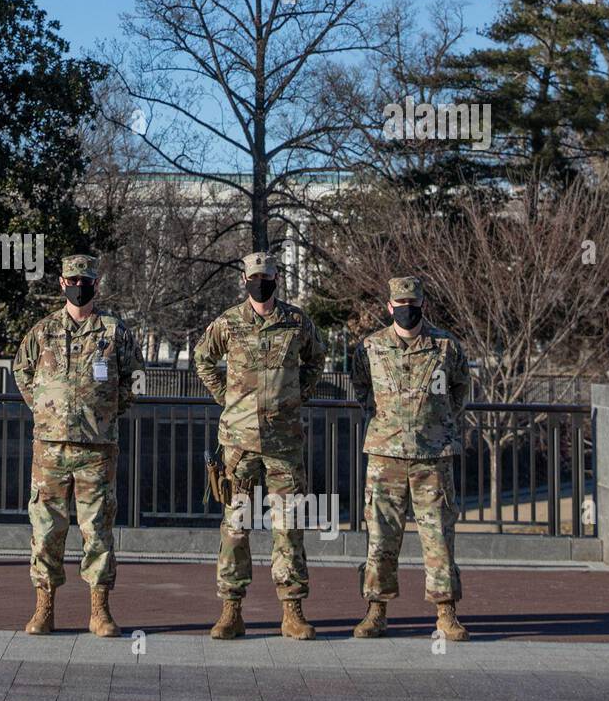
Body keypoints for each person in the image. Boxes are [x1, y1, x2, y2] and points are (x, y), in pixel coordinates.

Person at [194, 251, 325, 640]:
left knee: (289, 527)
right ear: (245, 280)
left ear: (276, 278)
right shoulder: (229, 323)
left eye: (267, 277)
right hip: (239, 443)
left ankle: (292, 610)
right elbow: (203, 359)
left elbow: (317, 359)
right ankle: (231, 609)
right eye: (254, 277)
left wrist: (297, 396)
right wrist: (226, 400)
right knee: (236, 525)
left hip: (284, 442)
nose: (261, 283)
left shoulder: (296, 321)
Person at [12, 254, 143, 637]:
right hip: (50, 448)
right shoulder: (43, 331)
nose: (78, 286)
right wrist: (43, 407)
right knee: (46, 527)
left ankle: (99, 611)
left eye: (84, 280)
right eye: (72, 280)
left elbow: (135, 377)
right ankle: (44, 608)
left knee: (98, 529)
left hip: (96, 449)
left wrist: (108, 411)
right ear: (61, 283)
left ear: (95, 285)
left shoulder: (114, 332)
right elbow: (21, 370)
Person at [350, 276, 470, 641]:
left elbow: (460, 390)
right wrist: (386, 421)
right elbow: (362, 389)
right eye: (399, 304)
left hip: (432, 457)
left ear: (422, 305)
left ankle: (445, 612)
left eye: (412, 303)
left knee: (438, 537)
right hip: (385, 456)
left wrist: (435, 424)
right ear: (389, 306)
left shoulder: (446, 347)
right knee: (381, 537)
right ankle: (376, 610)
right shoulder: (369, 348)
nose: (406, 309)